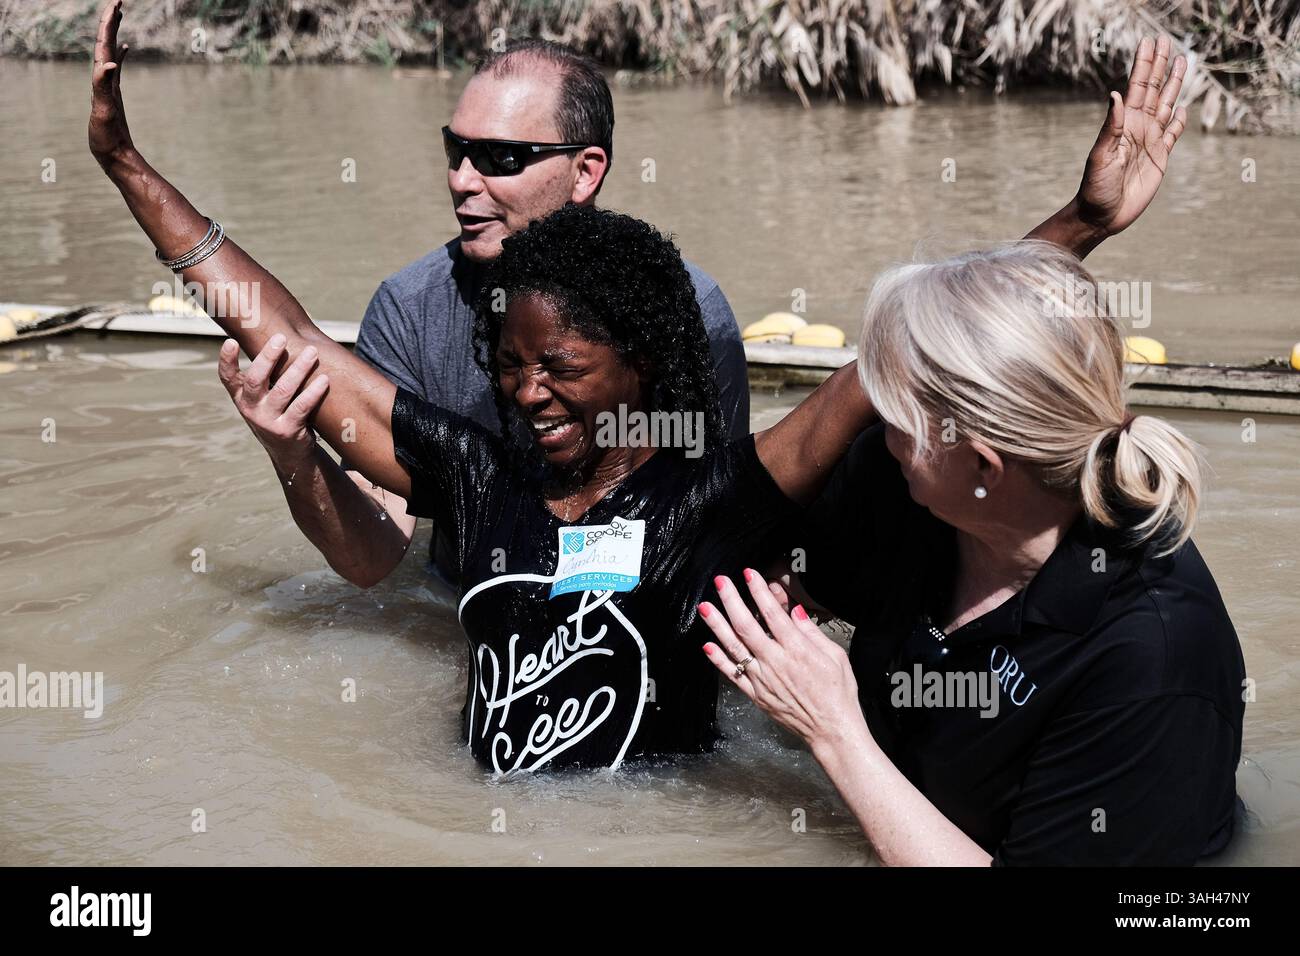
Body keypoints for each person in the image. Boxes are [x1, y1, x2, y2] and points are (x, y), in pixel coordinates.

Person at [88, 0, 875, 771]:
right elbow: (291, 341)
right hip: (470, 641)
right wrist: (127, 166)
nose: (529, 395)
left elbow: (868, 387)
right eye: (508, 366)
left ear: (646, 364)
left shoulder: (697, 422)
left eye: (562, 368)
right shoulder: (479, 473)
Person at [699, 239, 1247, 866]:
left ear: (983, 462)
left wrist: (835, 731)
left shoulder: (1152, 657)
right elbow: (796, 585)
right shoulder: (902, 485)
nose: (883, 426)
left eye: (900, 413)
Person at [227, 36, 752, 589]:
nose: (461, 180)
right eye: (456, 151)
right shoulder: (410, 309)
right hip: (467, 607)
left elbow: (722, 527)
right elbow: (372, 559)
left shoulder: (689, 308)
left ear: (585, 172)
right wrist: (296, 458)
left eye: (501, 158)